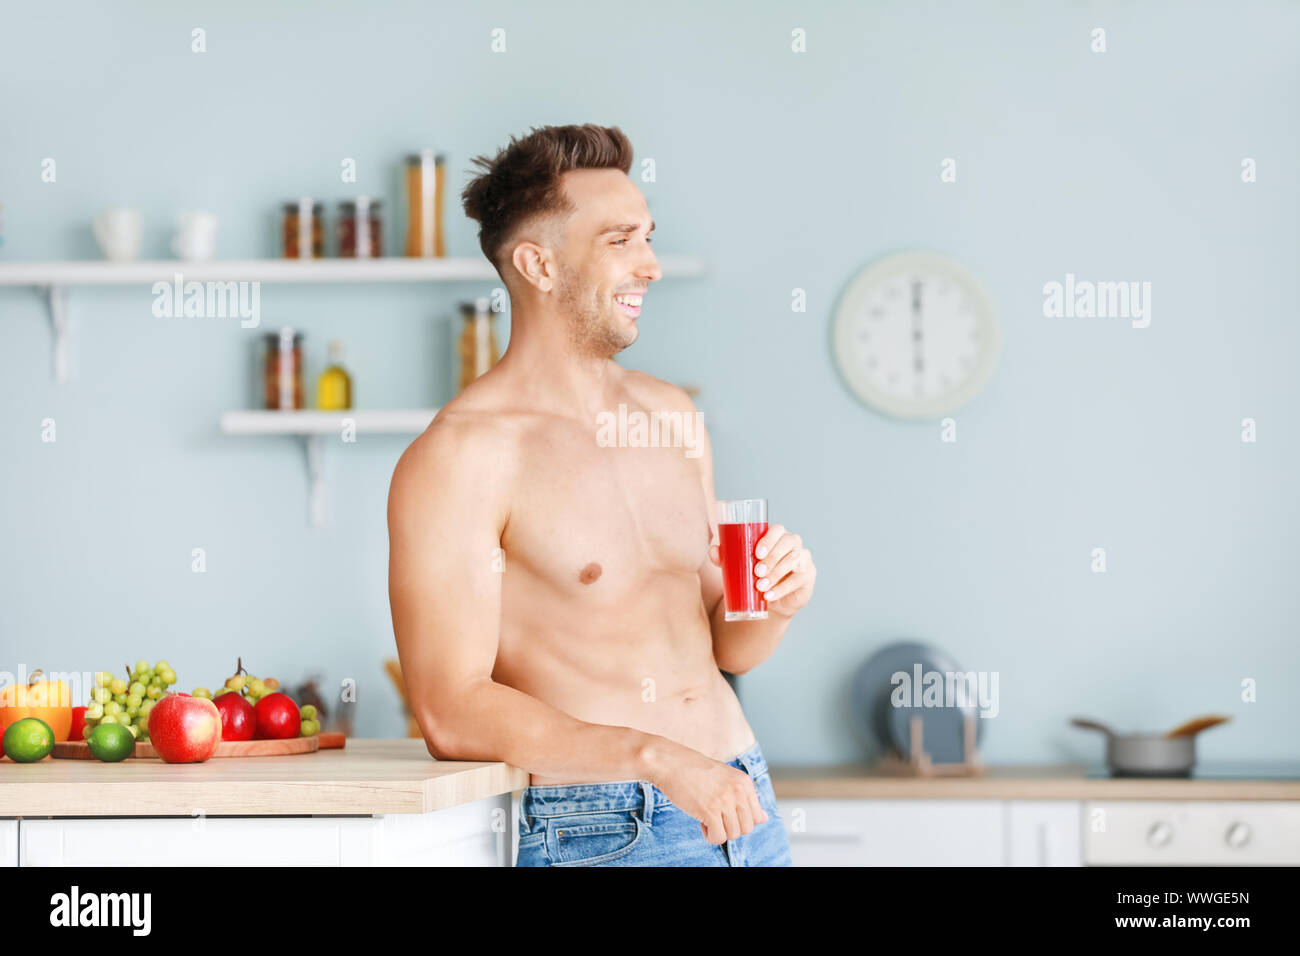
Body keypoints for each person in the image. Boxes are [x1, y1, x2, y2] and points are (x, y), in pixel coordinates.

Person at [387, 124, 817, 866]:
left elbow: (727, 642)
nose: (650, 266)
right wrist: (657, 760)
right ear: (538, 265)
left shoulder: (672, 415)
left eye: (649, 238)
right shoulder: (463, 455)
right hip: (608, 827)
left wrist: (778, 604)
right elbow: (448, 708)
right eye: (622, 241)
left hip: (743, 798)